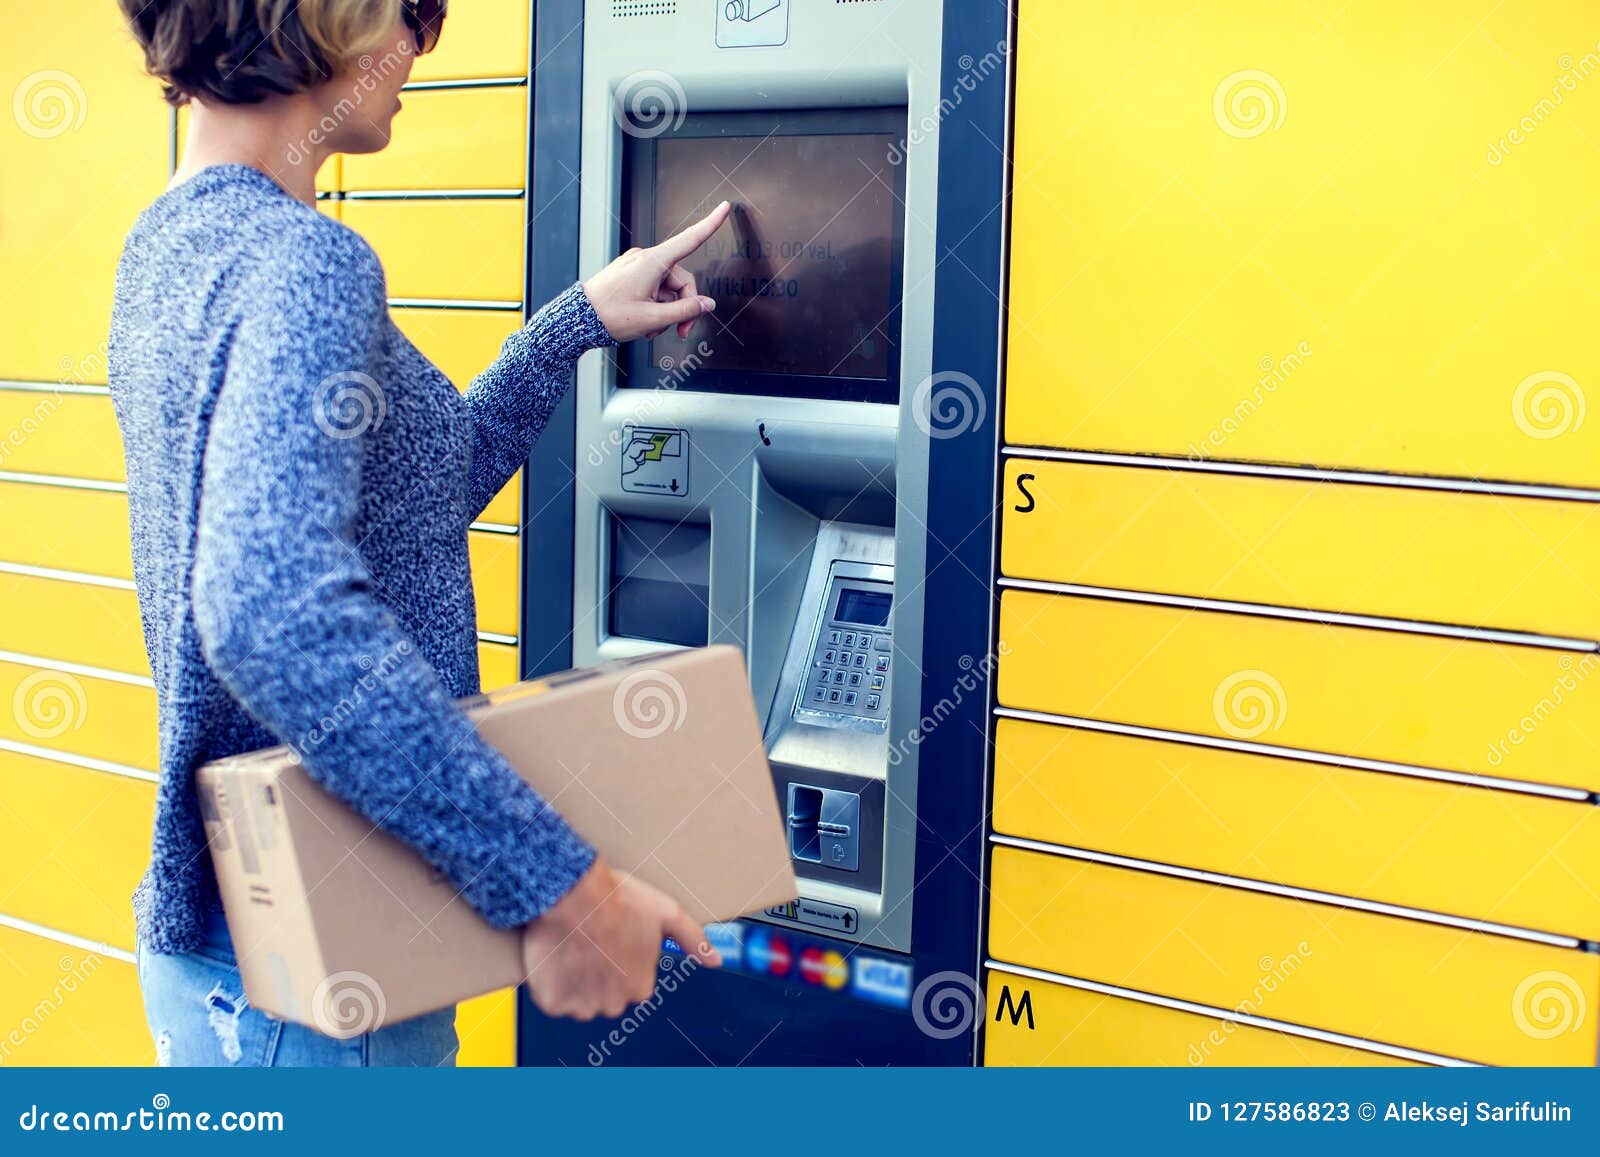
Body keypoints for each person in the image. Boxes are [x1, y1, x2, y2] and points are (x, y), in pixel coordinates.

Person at [110, 0, 730, 1066]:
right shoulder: (308, 264)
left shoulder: (171, 243)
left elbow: (404, 512)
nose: (423, 47)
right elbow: (268, 610)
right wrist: (558, 886)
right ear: (325, 19)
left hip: (230, 943)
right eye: (416, 14)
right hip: (317, 975)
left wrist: (573, 324)